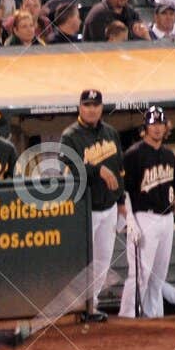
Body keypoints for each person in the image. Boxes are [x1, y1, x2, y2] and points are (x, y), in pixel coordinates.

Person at [119, 106, 175, 319]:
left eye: (160, 124)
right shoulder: (133, 154)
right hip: (144, 217)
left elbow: (174, 190)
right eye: (153, 124)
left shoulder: (169, 155)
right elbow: (123, 192)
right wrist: (129, 220)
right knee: (139, 275)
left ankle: (151, 319)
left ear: (166, 127)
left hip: (166, 219)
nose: (157, 128)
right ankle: (127, 317)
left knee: (158, 276)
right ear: (145, 127)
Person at [61, 89, 125, 323]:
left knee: (102, 260)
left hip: (109, 207)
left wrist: (121, 202)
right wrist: (97, 170)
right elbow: (69, 168)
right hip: (84, 209)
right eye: (87, 105)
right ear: (80, 107)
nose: (91, 109)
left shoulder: (111, 133)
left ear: (101, 107)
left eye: (95, 105)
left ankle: (91, 305)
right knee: (81, 262)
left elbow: (119, 170)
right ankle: (77, 307)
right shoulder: (70, 136)